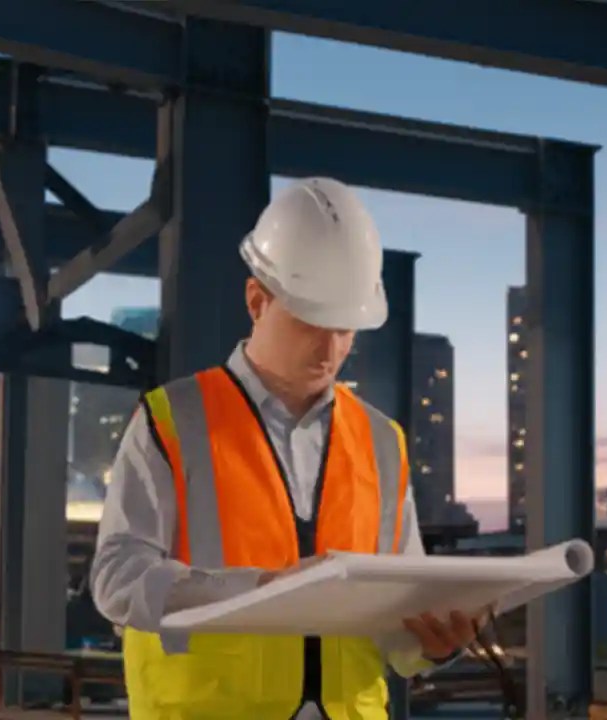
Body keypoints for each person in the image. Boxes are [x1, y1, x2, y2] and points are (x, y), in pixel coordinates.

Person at [90, 177, 479, 719]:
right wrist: (260, 590)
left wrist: (435, 644)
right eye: (311, 323)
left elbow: (396, 629)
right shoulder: (172, 420)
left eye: (345, 328)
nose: (330, 348)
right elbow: (116, 579)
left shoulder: (381, 442)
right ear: (257, 300)